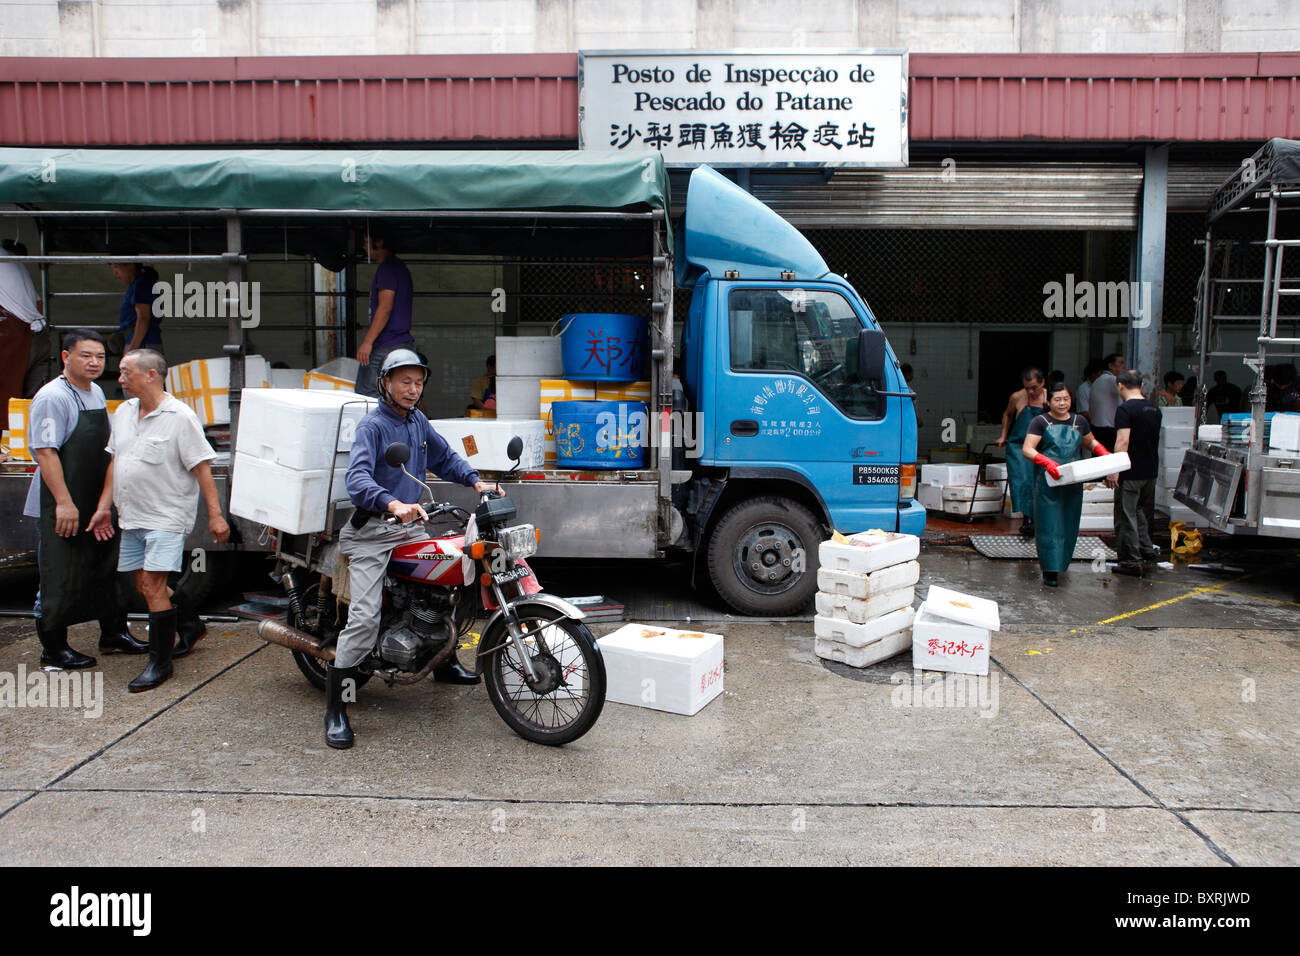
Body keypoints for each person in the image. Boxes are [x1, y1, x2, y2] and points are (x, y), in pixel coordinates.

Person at [328, 348, 500, 749]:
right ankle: (336, 708)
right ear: (385, 383)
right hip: (374, 531)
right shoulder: (373, 427)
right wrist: (392, 503)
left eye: (418, 382)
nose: (412, 389)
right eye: (404, 381)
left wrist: (477, 482)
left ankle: (443, 663)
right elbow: (357, 480)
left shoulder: (418, 421)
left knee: (452, 579)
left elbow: (444, 456)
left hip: (410, 529)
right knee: (365, 618)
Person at [89, 349, 231, 691]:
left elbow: (201, 467)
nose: (119, 379)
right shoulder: (122, 412)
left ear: (151, 375)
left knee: (152, 587)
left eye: (126, 373)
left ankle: (159, 663)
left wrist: (216, 515)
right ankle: (192, 625)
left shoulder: (180, 416)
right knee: (144, 584)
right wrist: (103, 507)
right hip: (131, 515)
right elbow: (115, 462)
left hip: (166, 515)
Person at [23, 330, 145, 669]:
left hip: (92, 499)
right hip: (63, 502)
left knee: (104, 566)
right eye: (85, 355)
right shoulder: (53, 397)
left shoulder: (94, 392)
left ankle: (113, 634)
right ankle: (54, 649)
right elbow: (46, 453)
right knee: (58, 572)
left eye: (99, 357)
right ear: (65, 357)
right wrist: (64, 502)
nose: (94, 363)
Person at [1022, 381, 1111, 587]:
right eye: (1058, 399)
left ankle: (1061, 564)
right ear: (1049, 401)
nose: (1062, 403)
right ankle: (1050, 570)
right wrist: (1046, 461)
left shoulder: (1080, 421)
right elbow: (1028, 449)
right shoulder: (1040, 421)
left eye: (1066, 399)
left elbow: (1090, 442)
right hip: (1047, 483)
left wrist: (1103, 453)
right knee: (1049, 525)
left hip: (1073, 481)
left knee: (1068, 524)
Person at [1106, 370, 1163, 576]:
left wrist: (1114, 470)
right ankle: (1146, 550)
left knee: (1125, 516)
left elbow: (1123, 441)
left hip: (1130, 472)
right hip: (1150, 471)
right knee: (1138, 511)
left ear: (1120, 385)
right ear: (1141, 385)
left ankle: (1131, 562)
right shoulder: (1154, 408)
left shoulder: (1125, 409)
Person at [354, 223, 415, 398]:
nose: (364, 247)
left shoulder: (387, 269)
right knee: (397, 397)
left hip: (386, 343)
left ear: (379, 243)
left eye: (367, 242)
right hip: (402, 342)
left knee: (367, 394)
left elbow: (385, 307)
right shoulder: (400, 268)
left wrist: (367, 342)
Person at [995, 367, 1047, 537]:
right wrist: (1003, 436)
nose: (1031, 392)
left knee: (1040, 481)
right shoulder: (1017, 397)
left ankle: (1042, 519)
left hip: (1042, 445)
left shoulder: (1050, 398)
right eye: (1027, 388)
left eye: (1034, 388)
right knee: (1022, 480)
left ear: (1042, 383)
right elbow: (1008, 415)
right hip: (1019, 445)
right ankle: (1028, 519)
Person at [0, 239, 46, 422]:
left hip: (18, 335)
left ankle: (7, 444)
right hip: (37, 334)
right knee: (29, 399)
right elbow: (39, 304)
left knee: (7, 395)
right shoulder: (14, 263)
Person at [112, 263, 162, 355]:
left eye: (116, 268)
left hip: (143, 344)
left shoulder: (142, 284)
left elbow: (143, 317)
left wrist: (132, 349)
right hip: (140, 341)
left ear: (130, 265)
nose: (115, 273)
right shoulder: (138, 284)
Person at [1088, 352, 1125, 452]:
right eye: (1121, 363)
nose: (1123, 366)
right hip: (1107, 429)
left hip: (1098, 427)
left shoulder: (1099, 380)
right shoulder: (1110, 379)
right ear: (1111, 366)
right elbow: (1130, 391)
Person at [900, 363, 923, 428]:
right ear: (906, 374)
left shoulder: (896, 388)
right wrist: (917, 420)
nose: (912, 375)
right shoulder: (908, 391)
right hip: (908, 423)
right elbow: (910, 408)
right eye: (911, 373)